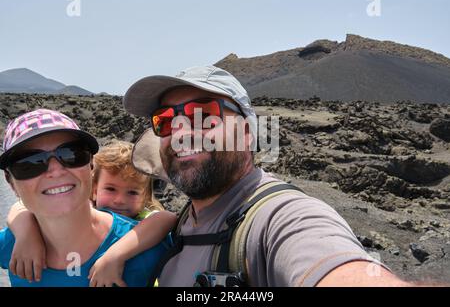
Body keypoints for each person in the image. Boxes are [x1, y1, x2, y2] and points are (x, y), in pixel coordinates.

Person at [121, 65, 414, 287]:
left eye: (203, 113)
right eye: (166, 121)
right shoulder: (182, 221)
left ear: (247, 133)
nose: (182, 132)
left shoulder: (284, 218)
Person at [0, 109, 170, 287]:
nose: (56, 171)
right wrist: (24, 232)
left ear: (91, 165)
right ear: (11, 183)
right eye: (29, 164)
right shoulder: (11, 246)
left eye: (71, 154)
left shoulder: (151, 247)